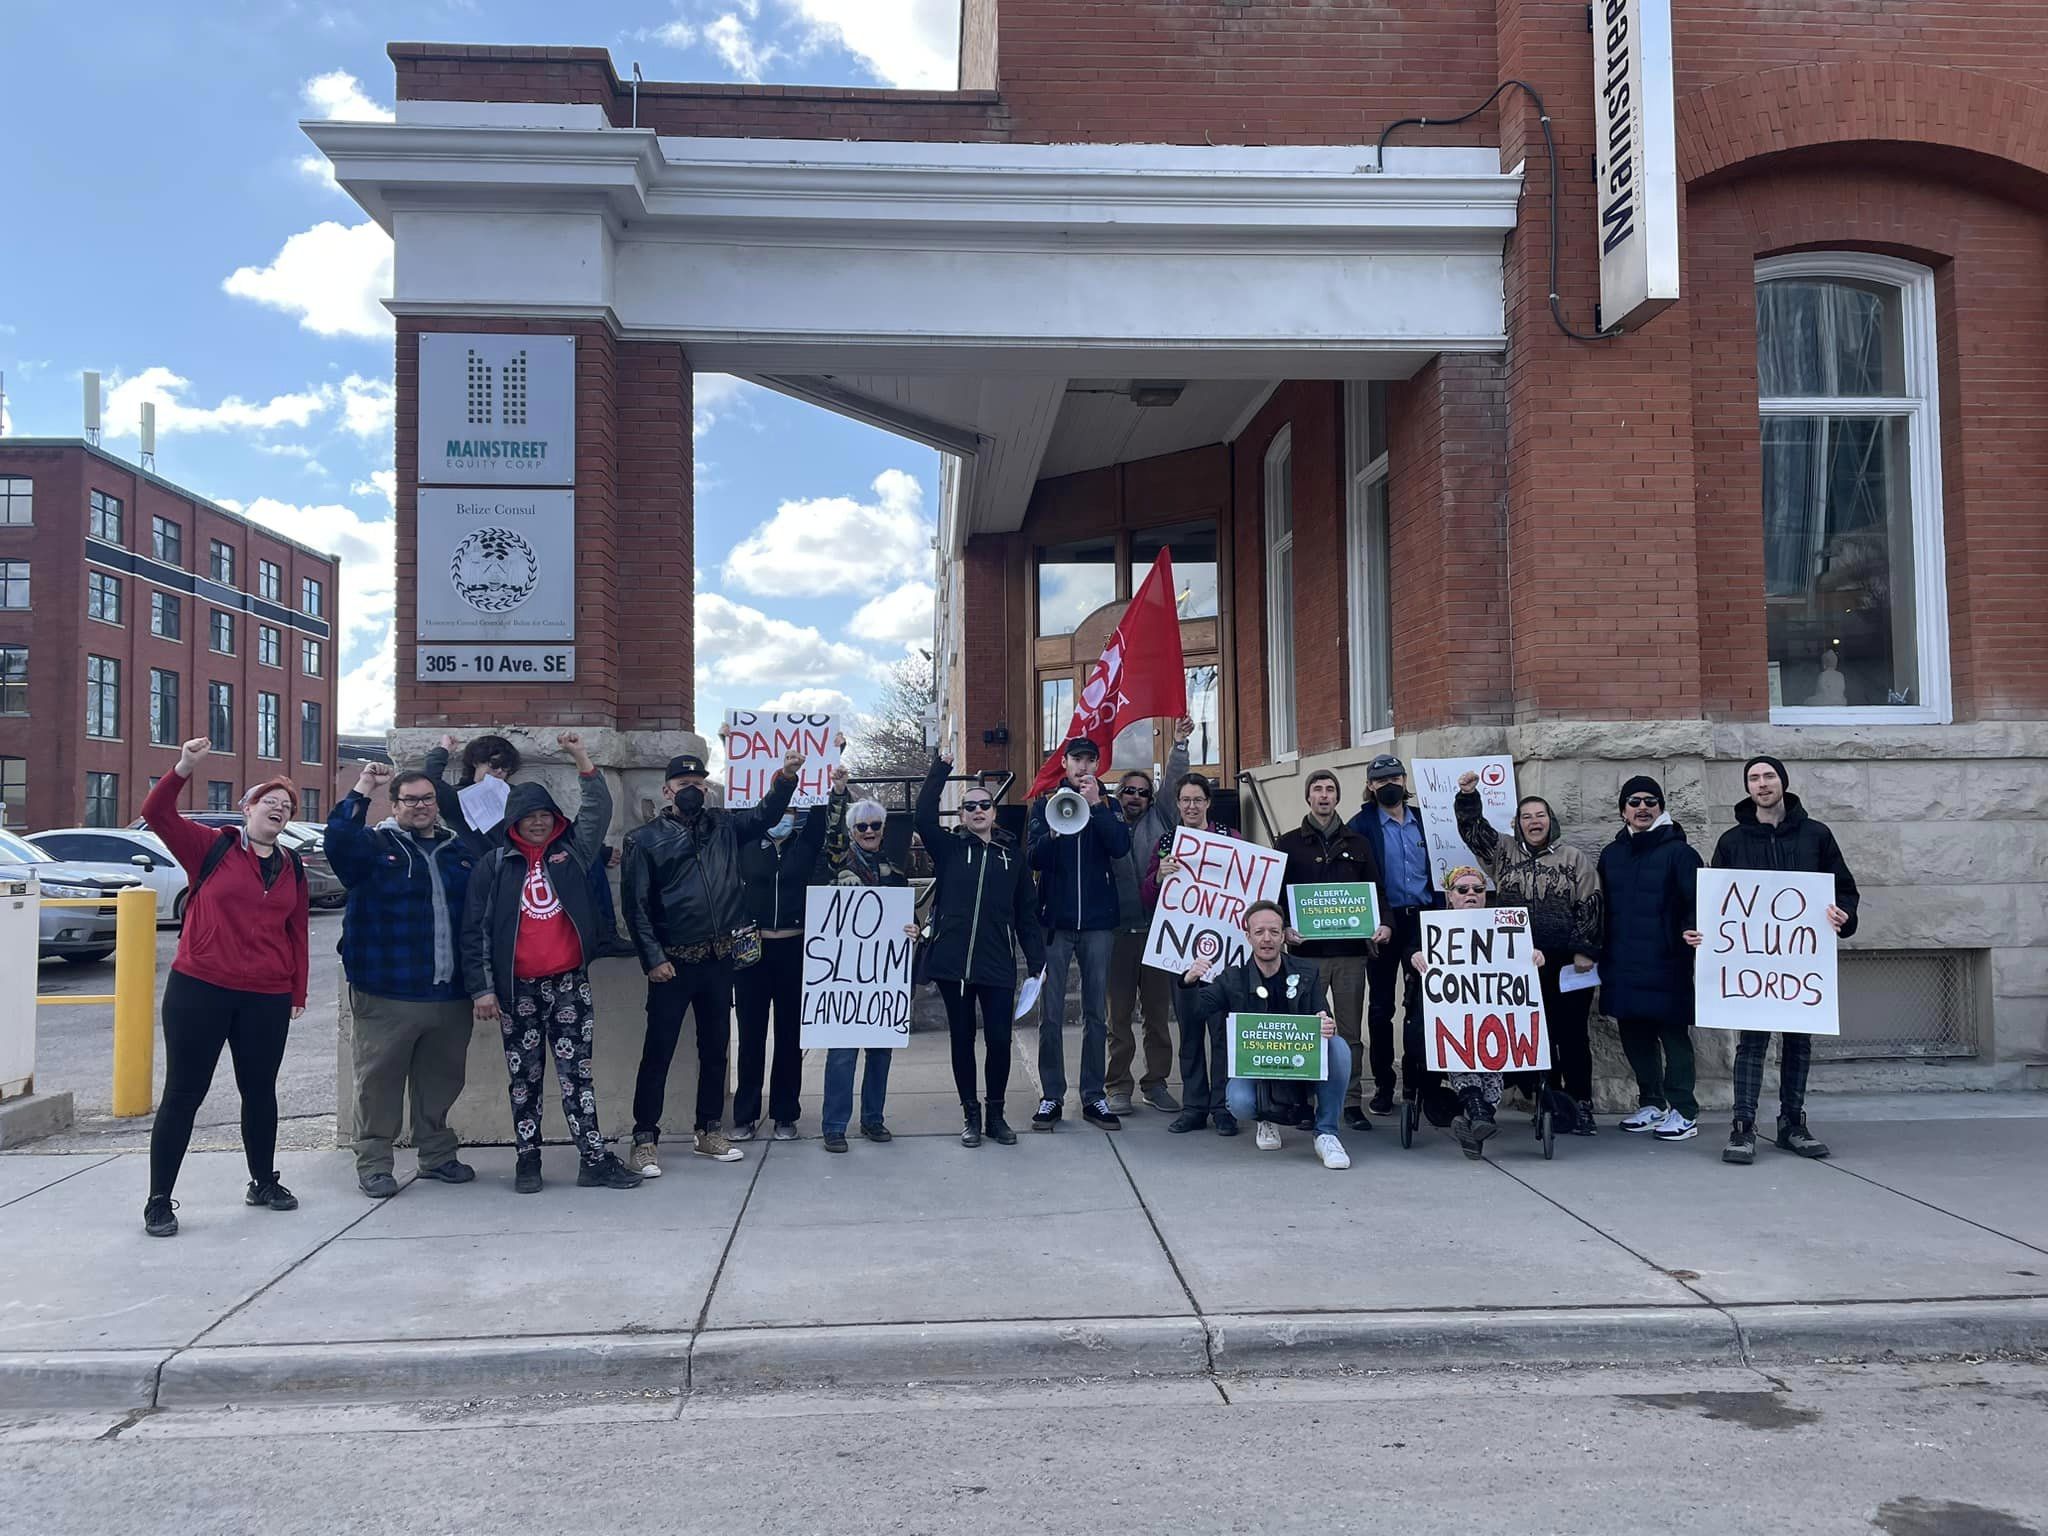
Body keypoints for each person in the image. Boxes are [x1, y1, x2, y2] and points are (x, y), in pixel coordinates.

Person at [139, 738, 311, 1237]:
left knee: (259, 1091)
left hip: (266, 994)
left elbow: (296, 931)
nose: (278, 810)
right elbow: (155, 811)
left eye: (286, 807)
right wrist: (185, 766)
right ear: (247, 808)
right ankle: (158, 1200)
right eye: (269, 802)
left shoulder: (292, 866)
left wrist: (296, 991)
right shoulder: (208, 845)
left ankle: (263, 1181)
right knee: (184, 1093)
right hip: (200, 988)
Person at [461, 733, 641, 1193]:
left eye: (544, 815)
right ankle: (528, 1158)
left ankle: (593, 1158)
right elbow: (475, 930)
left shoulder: (573, 853)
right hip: (514, 989)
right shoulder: (495, 864)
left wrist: (581, 757)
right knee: (523, 1078)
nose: (538, 823)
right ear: (513, 822)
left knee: (576, 1075)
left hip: (567, 985)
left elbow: (597, 806)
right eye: (528, 817)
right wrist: (482, 988)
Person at [620, 742, 802, 1174]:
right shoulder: (643, 841)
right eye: (685, 784)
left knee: (716, 1050)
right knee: (659, 1051)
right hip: (673, 963)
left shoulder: (724, 826)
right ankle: (644, 1137)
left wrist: (786, 778)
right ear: (667, 791)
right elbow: (636, 906)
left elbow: (764, 816)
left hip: (719, 959)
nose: (694, 791)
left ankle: (708, 1130)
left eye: (700, 784)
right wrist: (652, 958)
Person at [1686, 755, 1859, 1165]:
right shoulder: (1733, 841)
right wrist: (1700, 931)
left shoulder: (1816, 835)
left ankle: (1792, 1124)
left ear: (1782, 782)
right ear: (1747, 788)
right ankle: (1743, 1127)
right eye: (1753, 778)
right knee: (1752, 1045)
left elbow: (1844, 889)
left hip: (1800, 964)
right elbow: (1718, 901)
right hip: (1754, 967)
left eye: (1768, 776)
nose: (1762, 784)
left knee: (1799, 1043)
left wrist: (1843, 914)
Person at [327, 762, 480, 1199]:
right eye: (410, 800)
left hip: (450, 993)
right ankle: (374, 1164)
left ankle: (437, 1155)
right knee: (379, 1083)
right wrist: (362, 789)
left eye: (427, 799)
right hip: (387, 991)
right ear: (394, 806)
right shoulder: (373, 847)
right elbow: (337, 839)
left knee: (442, 1080)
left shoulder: (459, 851)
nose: (420, 806)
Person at [1454, 771, 1603, 1134]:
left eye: (1540, 816)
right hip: (1517, 963)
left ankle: (1581, 1103)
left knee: (1572, 1035)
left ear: (1551, 821)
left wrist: (1584, 950)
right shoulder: (1503, 852)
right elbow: (1474, 830)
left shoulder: (1573, 858)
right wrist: (1468, 796)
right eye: (1526, 816)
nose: (1534, 822)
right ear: (1517, 824)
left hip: (1565, 961)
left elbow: (1591, 901)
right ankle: (1547, 1101)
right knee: (1535, 1034)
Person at [919, 743, 1046, 1147]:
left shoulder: (1013, 858)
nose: (977, 810)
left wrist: (1038, 959)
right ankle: (969, 1115)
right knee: (961, 1040)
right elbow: (922, 814)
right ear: (961, 815)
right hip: (952, 964)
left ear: (994, 812)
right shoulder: (950, 849)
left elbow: (1026, 914)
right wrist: (940, 769)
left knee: (998, 1040)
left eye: (984, 805)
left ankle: (996, 1113)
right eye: (970, 806)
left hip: (997, 965)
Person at [1179, 901, 1351, 1169]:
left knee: (1338, 1048)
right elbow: (1198, 1010)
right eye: (1259, 932)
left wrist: (1324, 1022)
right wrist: (1189, 982)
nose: (1267, 939)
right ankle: (1265, 1119)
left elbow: (1322, 1014)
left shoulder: (1307, 972)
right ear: (1248, 937)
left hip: (1300, 1068)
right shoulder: (1233, 979)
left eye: (1273, 931)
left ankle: (1327, 1133)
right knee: (1238, 1101)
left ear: (1283, 935)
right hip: (1258, 1075)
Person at [731, 736, 838, 1143]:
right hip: (751, 950)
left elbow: (825, 811)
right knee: (752, 1034)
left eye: (793, 811)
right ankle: (744, 1114)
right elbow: (754, 812)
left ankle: (785, 1114)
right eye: (782, 809)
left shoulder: (805, 845)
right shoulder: (745, 843)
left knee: (791, 1035)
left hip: (794, 949)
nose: (786, 816)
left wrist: (834, 760)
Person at [1409, 865, 1555, 1158]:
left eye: (1477, 890)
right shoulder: (1433, 929)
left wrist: (1535, 955)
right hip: (1451, 1020)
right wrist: (1416, 955)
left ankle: (1477, 1117)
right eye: (1462, 890)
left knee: (1493, 1054)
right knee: (1460, 1045)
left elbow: (1521, 960)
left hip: (1495, 1020)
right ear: (1450, 896)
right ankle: (1481, 1114)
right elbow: (1409, 951)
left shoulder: (1505, 925)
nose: (1471, 895)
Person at [1275, 769, 1391, 1131]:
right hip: (1304, 957)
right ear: (1308, 797)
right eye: (1317, 790)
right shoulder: (1288, 844)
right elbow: (1276, 898)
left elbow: (1377, 890)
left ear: (1337, 797)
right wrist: (1285, 929)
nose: (1324, 796)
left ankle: (1351, 1101)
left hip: (1349, 954)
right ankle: (1304, 1101)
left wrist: (1384, 923)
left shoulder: (1357, 843)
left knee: (1349, 1033)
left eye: (1330, 790)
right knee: (1305, 1030)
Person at [1028, 735, 1132, 1131]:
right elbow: (1033, 857)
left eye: (1090, 761)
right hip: (1055, 922)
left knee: (1095, 1013)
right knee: (1050, 1015)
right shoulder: (1043, 804)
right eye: (1077, 760)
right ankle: (1051, 1095)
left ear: (1097, 766)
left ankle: (1094, 1096)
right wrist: (1054, 830)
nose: (1083, 767)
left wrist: (1098, 808)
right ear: (1066, 764)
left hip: (1098, 923)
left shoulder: (1109, 804)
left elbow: (1120, 847)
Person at [815, 760, 914, 1153]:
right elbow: (831, 839)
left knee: (880, 1053)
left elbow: (906, 921)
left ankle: (873, 1118)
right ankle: (834, 1125)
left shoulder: (896, 874)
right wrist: (839, 794)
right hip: (843, 978)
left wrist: (911, 930)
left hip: (881, 979)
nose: (869, 831)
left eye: (875, 826)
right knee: (841, 1056)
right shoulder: (837, 864)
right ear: (852, 831)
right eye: (862, 826)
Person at [1598, 775, 1704, 1142]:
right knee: (1634, 1035)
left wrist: (1691, 930)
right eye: (1634, 801)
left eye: (1650, 801)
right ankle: (1653, 1102)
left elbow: (1698, 902)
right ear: (1623, 810)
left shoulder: (1680, 853)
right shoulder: (1612, 854)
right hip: (1623, 961)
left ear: (1661, 807)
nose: (1642, 807)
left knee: (1673, 1037)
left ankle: (1684, 1110)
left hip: (1666, 960)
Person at [1147, 772, 1245, 1135]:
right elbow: (1147, 897)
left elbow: (1248, 891)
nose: (1191, 806)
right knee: (1189, 1033)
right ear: (1178, 804)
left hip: (1223, 958)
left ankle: (1223, 1107)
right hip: (1182, 954)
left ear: (1208, 803)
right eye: (1185, 800)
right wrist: (1159, 877)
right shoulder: (1167, 843)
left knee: (1221, 1033)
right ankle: (1194, 1106)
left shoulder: (1230, 839)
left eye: (1197, 800)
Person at [1104, 718, 1193, 1115]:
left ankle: (1155, 1083)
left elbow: (1176, 780)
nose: (1135, 797)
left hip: (1159, 933)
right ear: (1118, 795)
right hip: (1118, 935)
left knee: (1158, 1017)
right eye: (1129, 791)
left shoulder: (1162, 819)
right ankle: (1117, 1086)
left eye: (1142, 792)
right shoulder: (1105, 824)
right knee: (1117, 1019)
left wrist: (1179, 746)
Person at [1349, 753, 1443, 1115]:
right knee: (1380, 1007)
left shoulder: (1425, 822)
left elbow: (1441, 867)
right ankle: (1385, 1084)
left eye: (1395, 778)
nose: (1389, 785)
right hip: (1382, 924)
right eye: (1380, 780)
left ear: (1405, 781)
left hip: (1423, 920)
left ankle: (1420, 1083)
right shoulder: (1360, 826)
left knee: (1424, 1005)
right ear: (1371, 787)